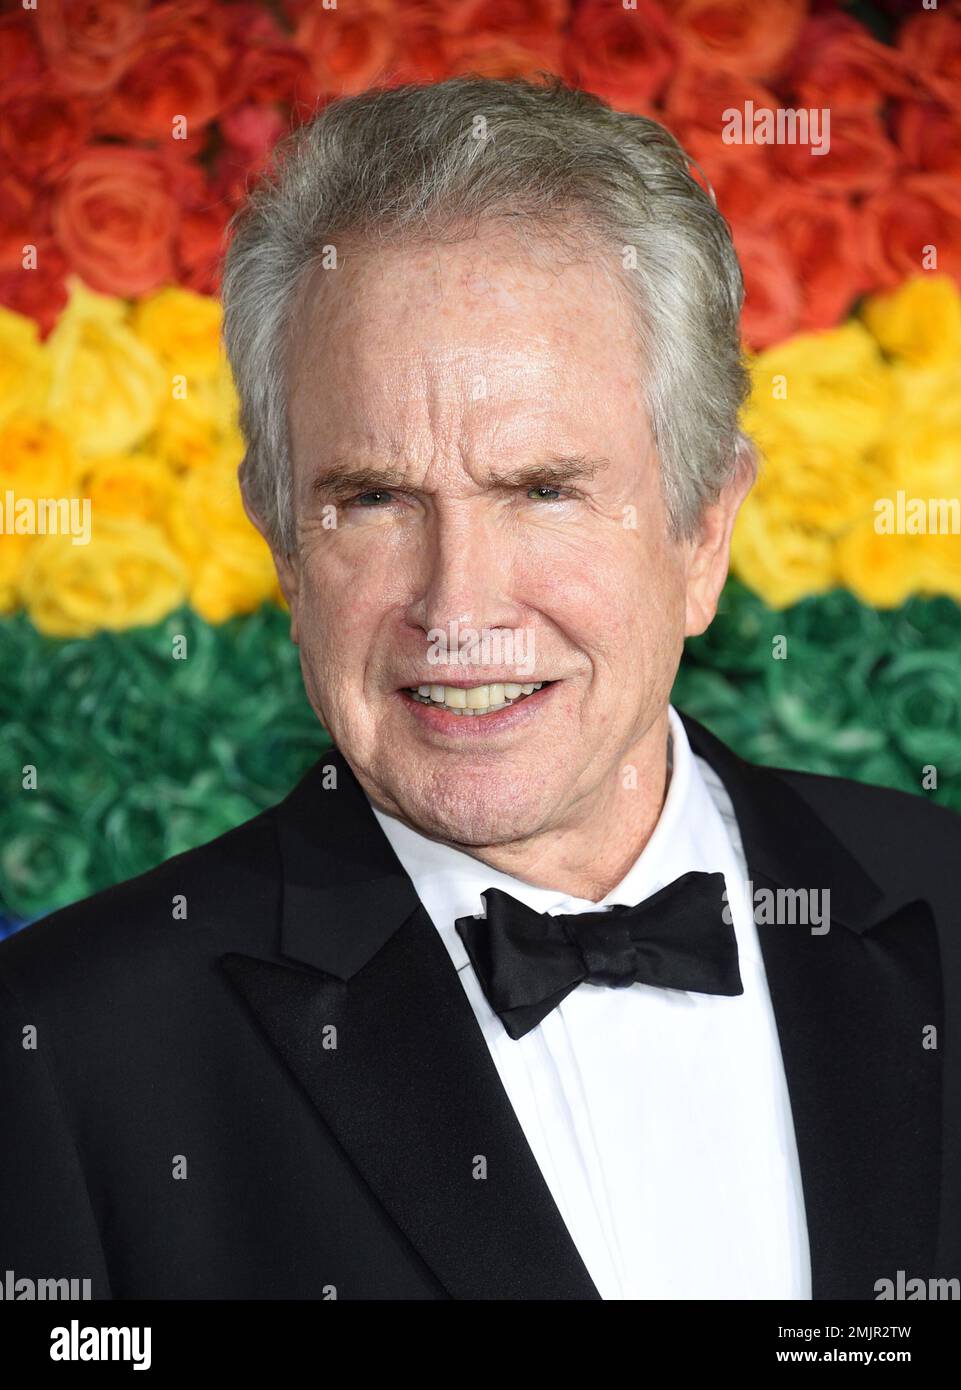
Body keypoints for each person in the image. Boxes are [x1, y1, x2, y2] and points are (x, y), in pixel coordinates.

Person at [1, 75, 958, 1301]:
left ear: (705, 529)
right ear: (283, 545)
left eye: (543, 489)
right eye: (374, 500)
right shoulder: (71, 1052)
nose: (458, 609)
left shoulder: (943, 904)